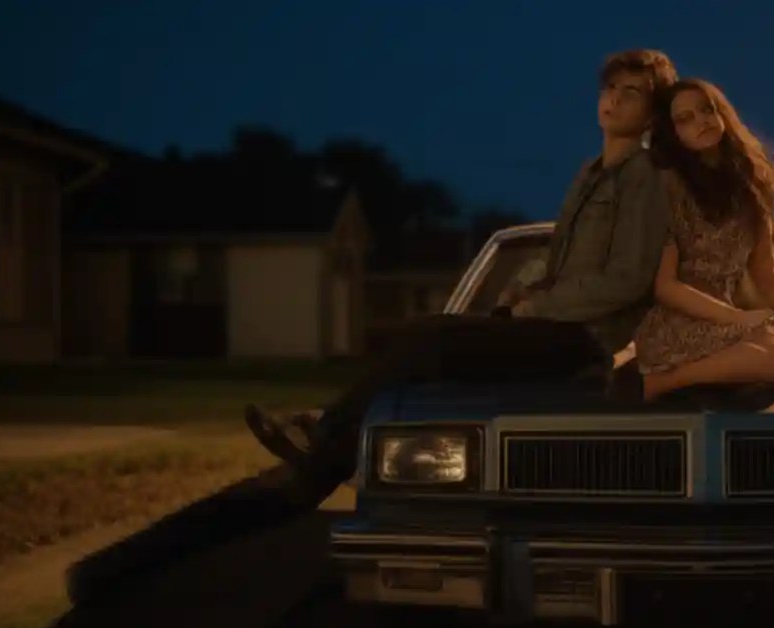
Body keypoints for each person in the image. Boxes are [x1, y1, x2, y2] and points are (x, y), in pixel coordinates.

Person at [242, 48, 680, 499]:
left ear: (653, 114)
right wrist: (520, 290)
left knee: (434, 338)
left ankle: (324, 438)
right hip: (549, 327)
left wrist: (536, 306)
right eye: (610, 88)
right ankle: (328, 444)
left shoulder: (646, 178)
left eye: (633, 93)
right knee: (428, 334)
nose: (615, 100)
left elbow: (629, 279)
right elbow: (561, 260)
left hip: (583, 340)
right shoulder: (588, 174)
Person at [630, 78, 774, 401]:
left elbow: (766, 271)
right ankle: (670, 380)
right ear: (673, 134)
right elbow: (665, 287)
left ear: (723, 115)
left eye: (707, 110)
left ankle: (743, 374)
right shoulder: (666, 187)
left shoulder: (750, 187)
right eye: (685, 119)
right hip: (677, 322)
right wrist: (740, 318)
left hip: (733, 325)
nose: (701, 121)